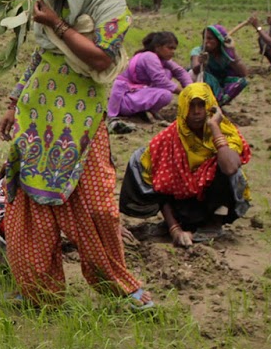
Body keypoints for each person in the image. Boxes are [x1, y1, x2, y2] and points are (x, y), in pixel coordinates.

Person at [0, 0, 154, 308]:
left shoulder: (108, 2)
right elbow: (42, 57)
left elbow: (101, 58)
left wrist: (57, 23)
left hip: (82, 121)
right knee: (30, 202)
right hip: (38, 117)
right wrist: (12, 101)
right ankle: (38, 291)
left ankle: (121, 287)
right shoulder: (49, 4)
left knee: (98, 205)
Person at [120, 83, 251, 245]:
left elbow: (230, 167)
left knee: (227, 165)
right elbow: (161, 185)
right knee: (142, 159)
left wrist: (214, 127)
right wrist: (175, 230)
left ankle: (214, 223)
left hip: (216, 205)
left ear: (210, 107)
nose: (196, 112)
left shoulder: (224, 130)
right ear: (183, 109)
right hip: (181, 207)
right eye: (191, 106)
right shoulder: (168, 139)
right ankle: (175, 224)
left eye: (201, 105)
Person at [107, 31, 192, 121]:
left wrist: (191, 88)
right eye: (170, 48)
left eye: (174, 49)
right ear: (158, 47)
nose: (173, 52)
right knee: (165, 95)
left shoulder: (162, 59)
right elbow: (161, 80)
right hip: (124, 99)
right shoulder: (149, 57)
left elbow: (179, 71)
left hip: (136, 93)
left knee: (168, 72)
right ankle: (141, 110)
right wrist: (184, 93)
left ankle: (145, 110)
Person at [189, 24, 248, 106]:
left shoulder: (225, 54)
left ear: (218, 40)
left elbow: (243, 73)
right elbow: (195, 70)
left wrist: (232, 50)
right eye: (204, 38)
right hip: (205, 82)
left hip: (221, 84)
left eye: (210, 38)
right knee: (194, 74)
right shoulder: (198, 51)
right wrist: (203, 63)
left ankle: (218, 103)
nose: (206, 41)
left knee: (241, 81)